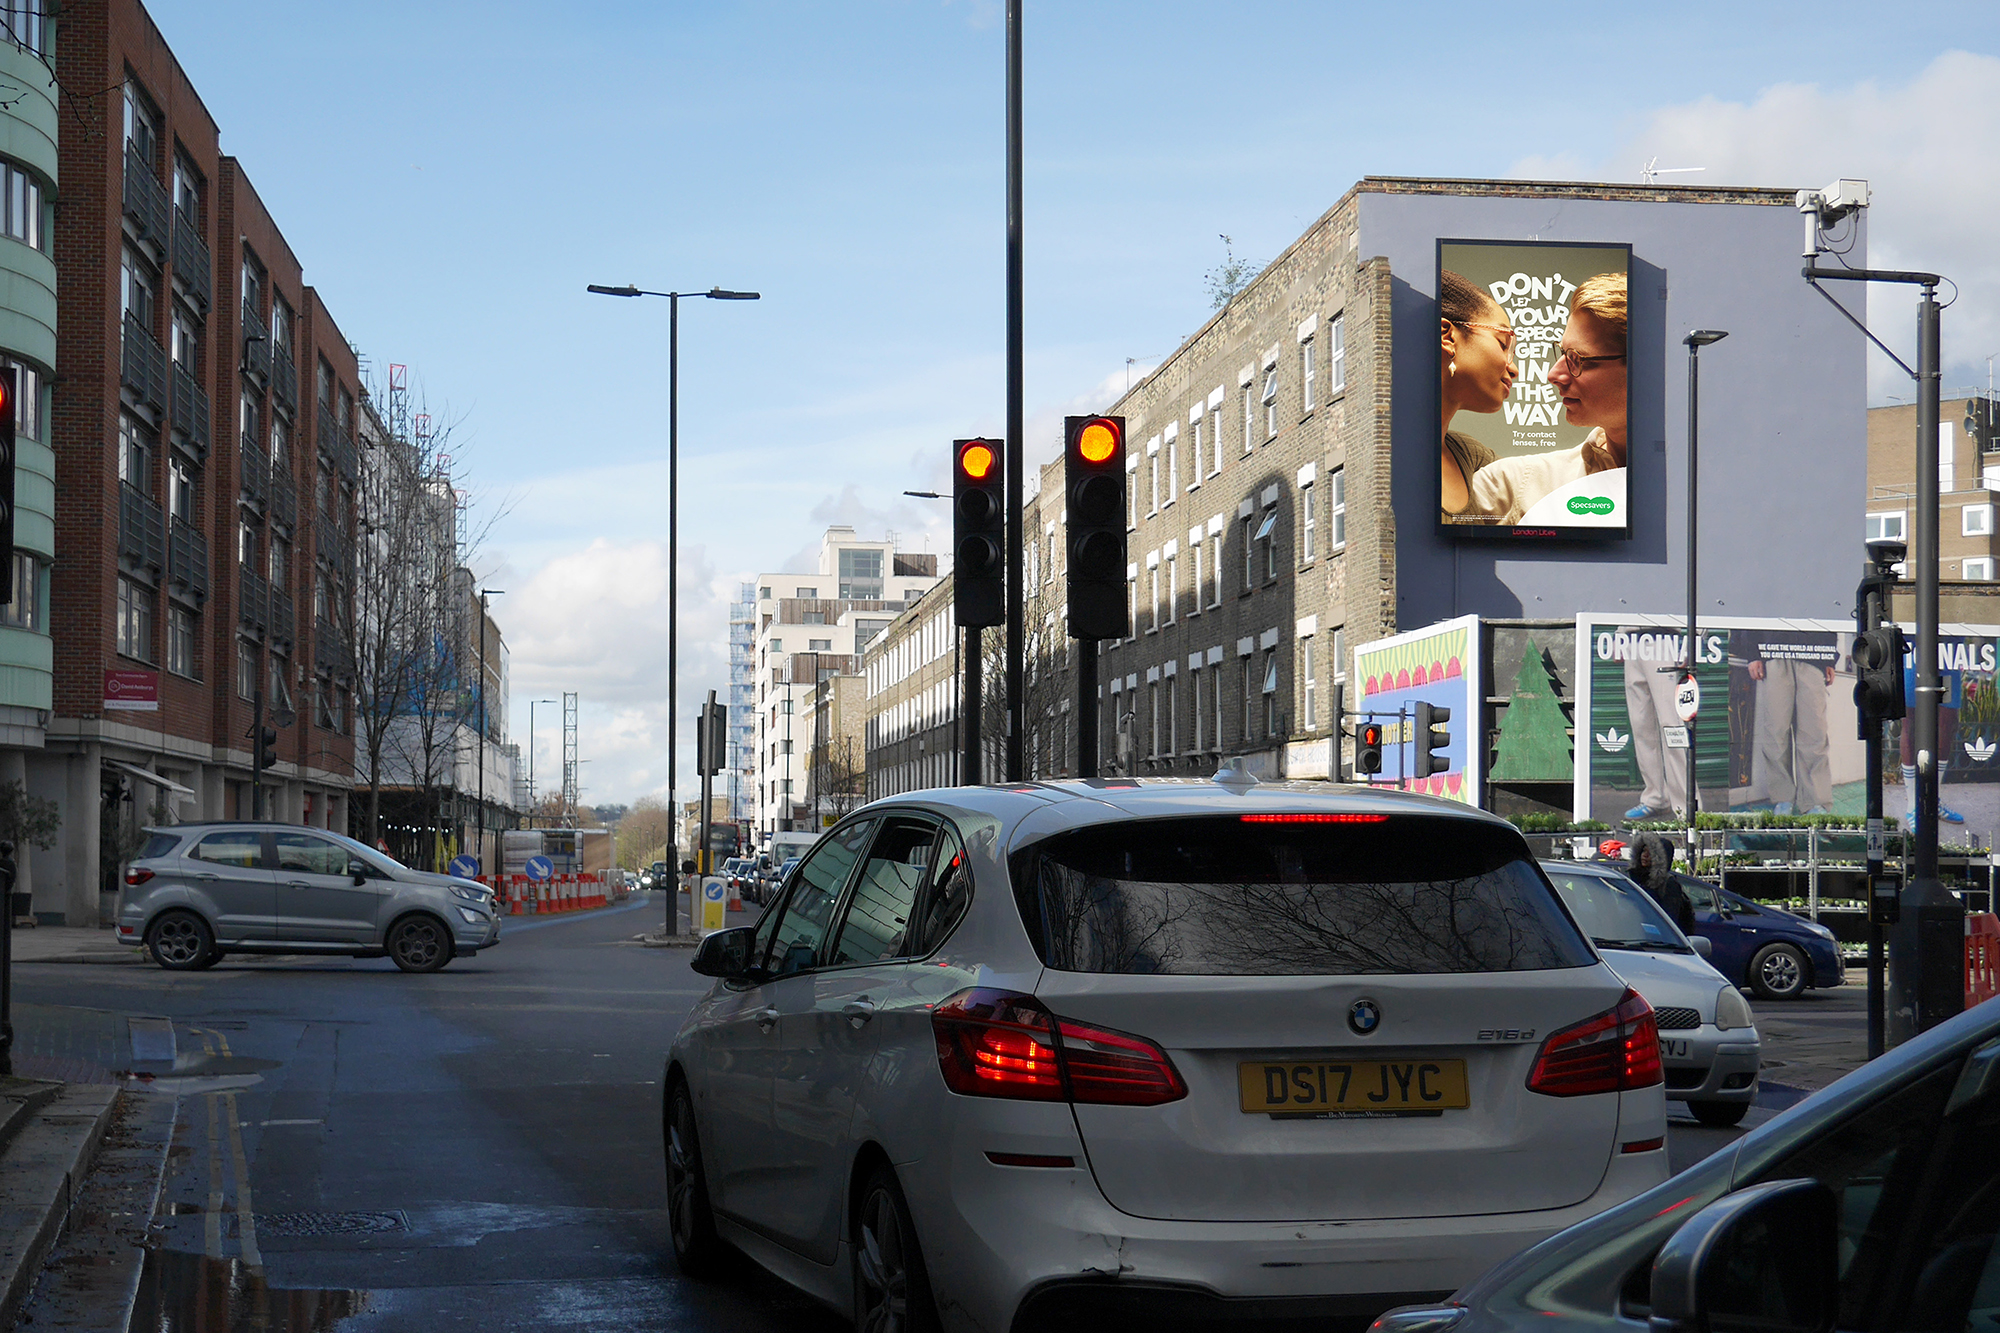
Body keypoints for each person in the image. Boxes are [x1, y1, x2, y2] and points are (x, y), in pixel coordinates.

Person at [1468, 271, 1627, 525]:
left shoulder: (1690, 479)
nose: (1553, 375)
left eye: (1577, 359)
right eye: (1562, 353)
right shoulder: (1513, 485)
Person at [1437, 269, 1515, 518]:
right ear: (1447, 336)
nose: (1513, 369)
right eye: (1503, 344)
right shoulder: (1384, 452)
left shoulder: (1472, 458)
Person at [1745, 638, 1835, 816]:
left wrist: (1829, 657)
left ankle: (1815, 800)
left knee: (1814, 732)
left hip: (1813, 651)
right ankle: (1783, 797)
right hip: (1773, 648)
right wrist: (1753, 654)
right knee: (1775, 731)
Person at [1627, 831, 1695, 933]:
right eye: (1644, 851)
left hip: (1656, 938)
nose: (1645, 855)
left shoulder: (1668, 884)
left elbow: (1669, 921)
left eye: (1651, 853)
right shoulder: (1634, 879)